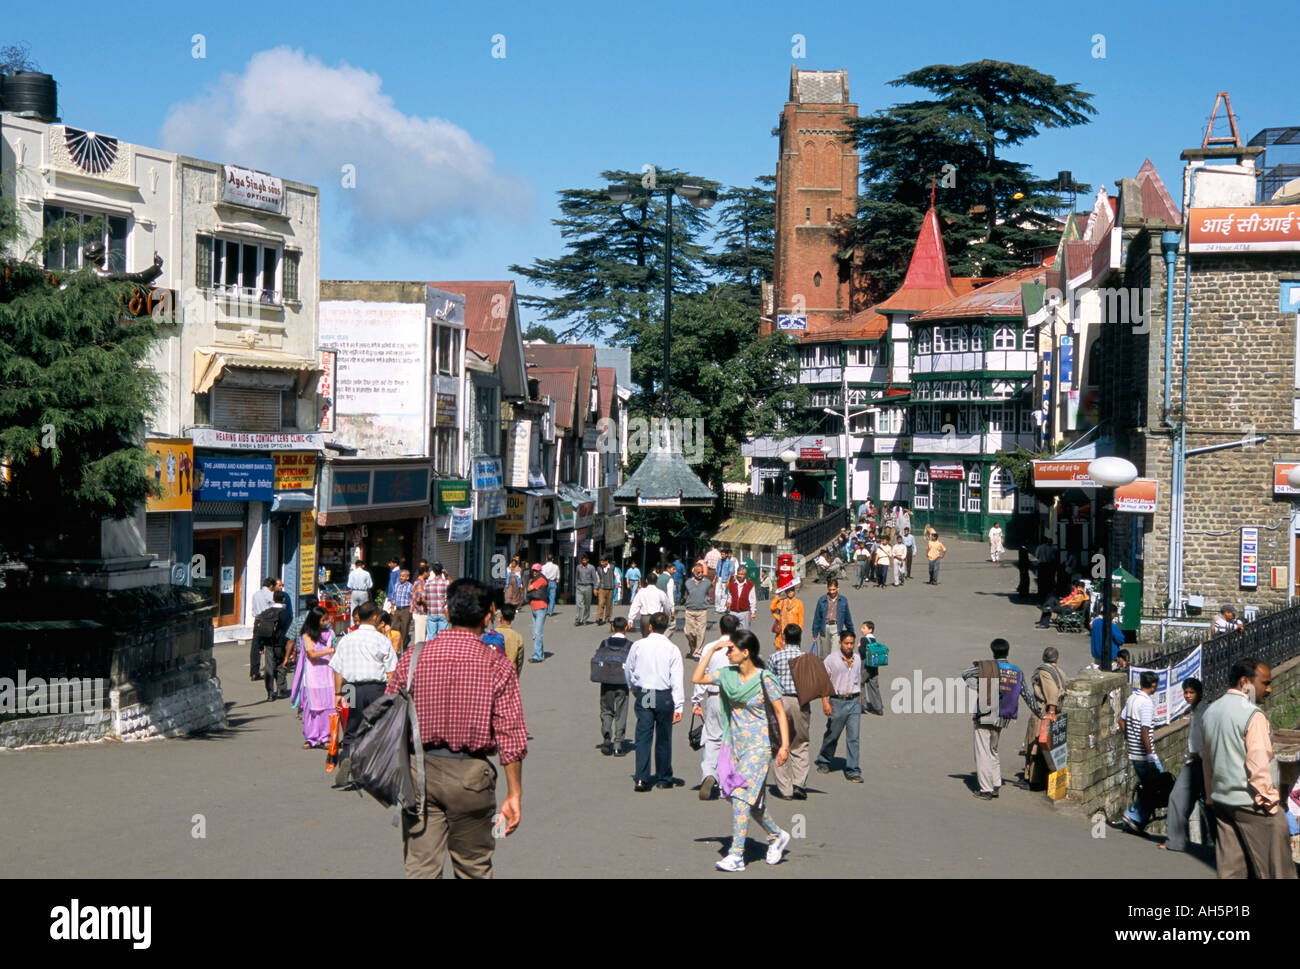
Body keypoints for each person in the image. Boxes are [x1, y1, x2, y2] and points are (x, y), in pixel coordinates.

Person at [387, 577, 526, 879]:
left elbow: (389, 715)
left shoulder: (413, 658)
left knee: (421, 869)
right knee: (473, 868)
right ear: (489, 616)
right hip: (471, 777)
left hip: (418, 772)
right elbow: (510, 734)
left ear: (447, 613)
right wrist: (514, 793)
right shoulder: (497, 665)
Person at [692, 629, 791, 871]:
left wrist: (785, 746)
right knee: (751, 802)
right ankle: (777, 835)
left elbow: (779, 712)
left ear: (745, 653)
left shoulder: (764, 678)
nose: (728, 652)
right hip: (734, 745)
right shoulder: (726, 675)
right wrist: (713, 648)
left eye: (731, 649)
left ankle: (737, 854)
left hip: (759, 746)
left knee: (739, 795)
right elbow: (697, 678)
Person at [1200, 658, 1296, 878]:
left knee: (1232, 871)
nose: (1269, 689)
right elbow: (1258, 761)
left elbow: (1207, 760)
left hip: (1222, 801)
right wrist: (1270, 801)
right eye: (1265, 683)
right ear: (1245, 682)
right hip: (1252, 803)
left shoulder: (1211, 712)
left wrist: (1210, 796)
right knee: (1276, 871)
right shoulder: (1253, 714)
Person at [329, 601, 397, 789]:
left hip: (350, 689)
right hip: (376, 688)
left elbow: (338, 670)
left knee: (351, 728)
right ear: (375, 617)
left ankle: (347, 756)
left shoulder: (346, 639)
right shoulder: (381, 640)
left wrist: (337, 693)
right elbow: (391, 671)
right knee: (377, 728)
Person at [961, 639, 1029, 799]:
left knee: (983, 752)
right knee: (993, 749)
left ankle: (986, 789)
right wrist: (1040, 712)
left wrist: (980, 687)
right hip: (1003, 716)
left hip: (984, 715)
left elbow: (965, 674)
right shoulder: (1016, 671)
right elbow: (1026, 694)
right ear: (1008, 652)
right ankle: (996, 783)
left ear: (993, 652)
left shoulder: (986, 667)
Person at [769, 624, 830, 800]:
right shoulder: (807, 658)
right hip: (800, 702)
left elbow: (768, 680)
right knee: (800, 743)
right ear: (800, 639)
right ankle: (799, 783)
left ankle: (785, 788)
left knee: (778, 743)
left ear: (785, 638)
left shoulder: (776, 657)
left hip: (780, 702)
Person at [625, 612, 684, 792]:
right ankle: (664, 777)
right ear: (666, 627)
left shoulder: (638, 645)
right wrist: (679, 704)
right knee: (664, 737)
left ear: (650, 626)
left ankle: (641, 778)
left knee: (643, 736)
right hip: (664, 695)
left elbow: (629, 669)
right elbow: (677, 678)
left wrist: (633, 688)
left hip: (646, 693)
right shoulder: (672, 649)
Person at [692, 613, 740, 799]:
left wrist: (696, 700)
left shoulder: (710, 648)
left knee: (712, 738)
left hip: (713, 697)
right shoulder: (740, 648)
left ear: (720, 628)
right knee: (730, 740)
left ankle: (709, 773)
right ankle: (725, 784)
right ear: (736, 629)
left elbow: (700, 673)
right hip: (734, 698)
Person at [1162, 677, 1205, 853]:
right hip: (1191, 763)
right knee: (1176, 798)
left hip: (1203, 763)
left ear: (1199, 693)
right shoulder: (1194, 711)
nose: (1188, 696)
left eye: (1191, 692)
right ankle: (1175, 841)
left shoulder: (1205, 712)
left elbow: (1210, 738)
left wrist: (1201, 755)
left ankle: (1223, 849)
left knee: (1209, 806)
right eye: (1186, 692)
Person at [815, 629, 864, 783]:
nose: (850, 646)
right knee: (832, 735)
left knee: (853, 738)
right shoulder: (831, 659)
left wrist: (860, 699)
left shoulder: (857, 659)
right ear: (840, 643)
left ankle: (853, 770)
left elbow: (858, 679)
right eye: (846, 643)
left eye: (852, 643)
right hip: (837, 701)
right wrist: (825, 702)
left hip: (854, 701)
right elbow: (823, 680)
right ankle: (824, 760)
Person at [1119, 671, 1161, 834]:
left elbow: (1121, 721)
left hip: (1134, 752)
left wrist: (1129, 738)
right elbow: (1145, 731)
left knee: (1150, 786)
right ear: (1153, 685)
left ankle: (1138, 820)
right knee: (1158, 786)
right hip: (1144, 754)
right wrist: (1150, 756)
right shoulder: (1146, 703)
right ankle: (1133, 814)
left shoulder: (1131, 699)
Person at [1022, 647, 1067, 789]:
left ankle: (1034, 780)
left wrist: (1051, 710)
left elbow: (1052, 692)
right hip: (1054, 711)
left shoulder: (1044, 672)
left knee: (1035, 744)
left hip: (1043, 711)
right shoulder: (1059, 671)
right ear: (1057, 659)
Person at [593, 617, 633, 756]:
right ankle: (618, 744)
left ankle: (606, 733)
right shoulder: (630, 645)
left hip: (606, 682)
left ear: (612, 628)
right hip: (622, 682)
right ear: (626, 628)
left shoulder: (604, 643)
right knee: (621, 712)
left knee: (606, 710)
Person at [810, 579, 852, 660]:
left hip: (837, 627)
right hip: (824, 627)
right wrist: (814, 633)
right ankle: (826, 671)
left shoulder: (843, 600)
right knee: (825, 655)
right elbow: (817, 617)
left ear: (838, 588)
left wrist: (851, 632)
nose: (832, 592)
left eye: (833, 589)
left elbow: (847, 617)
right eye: (830, 590)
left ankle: (834, 672)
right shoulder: (822, 600)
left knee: (835, 653)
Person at [682, 560, 713, 659]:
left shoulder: (707, 582)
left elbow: (709, 593)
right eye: (698, 572)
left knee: (700, 632)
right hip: (690, 610)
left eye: (701, 572)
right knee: (688, 632)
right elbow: (686, 594)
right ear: (693, 571)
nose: (700, 574)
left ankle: (698, 652)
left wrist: (707, 599)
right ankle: (693, 648)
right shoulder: (688, 582)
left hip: (702, 610)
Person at [250, 577, 279, 681]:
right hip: (268, 622)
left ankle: (254, 672)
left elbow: (253, 609)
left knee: (255, 647)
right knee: (270, 646)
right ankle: (270, 669)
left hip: (257, 621)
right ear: (271, 586)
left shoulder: (256, 594)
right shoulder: (271, 595)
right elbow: (274, 608)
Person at [627, 575, 671, 640]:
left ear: (646, 580)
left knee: (645, 638)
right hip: (657, 618)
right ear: (656, 581)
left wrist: (631, 618)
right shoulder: (660, 592)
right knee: (657, 638)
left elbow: (635, 605)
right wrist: (667, 616)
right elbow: (667, 605)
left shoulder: (641, 592)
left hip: (645, 618)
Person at [769, 576, 804, 650]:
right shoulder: (782, 602)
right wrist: (777, 595)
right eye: (788, 590)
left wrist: (799, 631)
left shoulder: (799, 603)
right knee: (782, 649)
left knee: (794, 651)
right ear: (786, 591)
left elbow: (801, 618)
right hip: (783, 631)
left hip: (794, 631)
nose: (790, 592)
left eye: (792, 590)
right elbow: (772, 608)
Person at [858, 620, 885, 716]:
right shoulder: (875, 640)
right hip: (874, 665)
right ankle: (878, 707)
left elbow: (862, 652)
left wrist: (859, 646)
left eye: (864, 628)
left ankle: (862, 705)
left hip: (865, 664)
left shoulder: (864, 640)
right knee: (873, 685)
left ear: (870, 630)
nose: (861, 630)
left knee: (860, 683)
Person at [724, 564, 758, 632]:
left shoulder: (750, 585)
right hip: (733, 612)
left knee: (744, 633)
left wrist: (753, 612)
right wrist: (728, 604)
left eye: (742, 574)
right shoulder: (732, 584)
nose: (740, 576)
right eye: (739, 574)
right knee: (732, 632)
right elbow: (730, 596)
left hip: (744, 612)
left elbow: (752, 599)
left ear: (745, 575)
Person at [526, 564, 549, 663]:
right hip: (534, 608)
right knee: (535, 633)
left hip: (541, 607)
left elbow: (529, 588)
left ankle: (537, 656)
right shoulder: (536, 579)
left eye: (536, 571)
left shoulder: (541, 579)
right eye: (533, 570)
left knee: (537, 633)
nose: (534, 572)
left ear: (540, 571)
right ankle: (540, 653)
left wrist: (530, 582)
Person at [388, 568, 414, 651]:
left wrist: (411, 609)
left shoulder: (410, 586)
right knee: (394, 627)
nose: (401, 577)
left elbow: (412, 598)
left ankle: (403, 646)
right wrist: (392, 608)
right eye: (400, 576)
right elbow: (394, 597)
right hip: (398, 609)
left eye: (403, 576)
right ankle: (395, 645)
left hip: (406, 609)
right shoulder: (397, 585)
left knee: (404, 628)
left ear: (407, 577)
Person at [497, 603, 525, 679]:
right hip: (510, 673)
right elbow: (519, 660)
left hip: (494, 673)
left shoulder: (492, 633)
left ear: (501, 615)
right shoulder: (517, 636)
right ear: (513, 618)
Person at [411, 563, 431, 647]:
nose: (429, 574)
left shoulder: (418, 581)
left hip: (418, 612)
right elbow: (419, 598)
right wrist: (429, 603)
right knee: (420, 639)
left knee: (420, 636)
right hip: (420, 612)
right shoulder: (420, 583)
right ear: (424, 572)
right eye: (428, 572)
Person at [574, 554, 597, 626]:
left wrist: (595, 588)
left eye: (585, 560)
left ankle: (585, 619)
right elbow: (576, 577)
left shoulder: (591, 568)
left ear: (587, 560)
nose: (583, 561)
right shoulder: (578, 567)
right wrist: (576, 585)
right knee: (579, 604)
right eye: (582, 560)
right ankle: (578, 619)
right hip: (580, 587)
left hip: (588, 587)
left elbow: (594, 579)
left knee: (587, 604)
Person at [426, 563, 449, 627]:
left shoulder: (428, 583)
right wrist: (447, 576)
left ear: (433, 571)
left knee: (431, 636)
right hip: (442, 612)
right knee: (442, 636)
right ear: (442, 571)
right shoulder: (446, 583)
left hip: (431, 612)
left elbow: (423, 597)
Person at [595, 555, 616, 625]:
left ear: (607, 561)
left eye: (603, 562)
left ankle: (607, 618)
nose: (601, 563)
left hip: (610, 589)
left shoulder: (612, 567)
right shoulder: (598, 569)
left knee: (609, 604)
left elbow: (617, 575)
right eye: (601, 562)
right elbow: (597, 579)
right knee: (601, 603)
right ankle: (599, 618)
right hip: (602, 588)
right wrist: (596, 588)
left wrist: (618, 583)